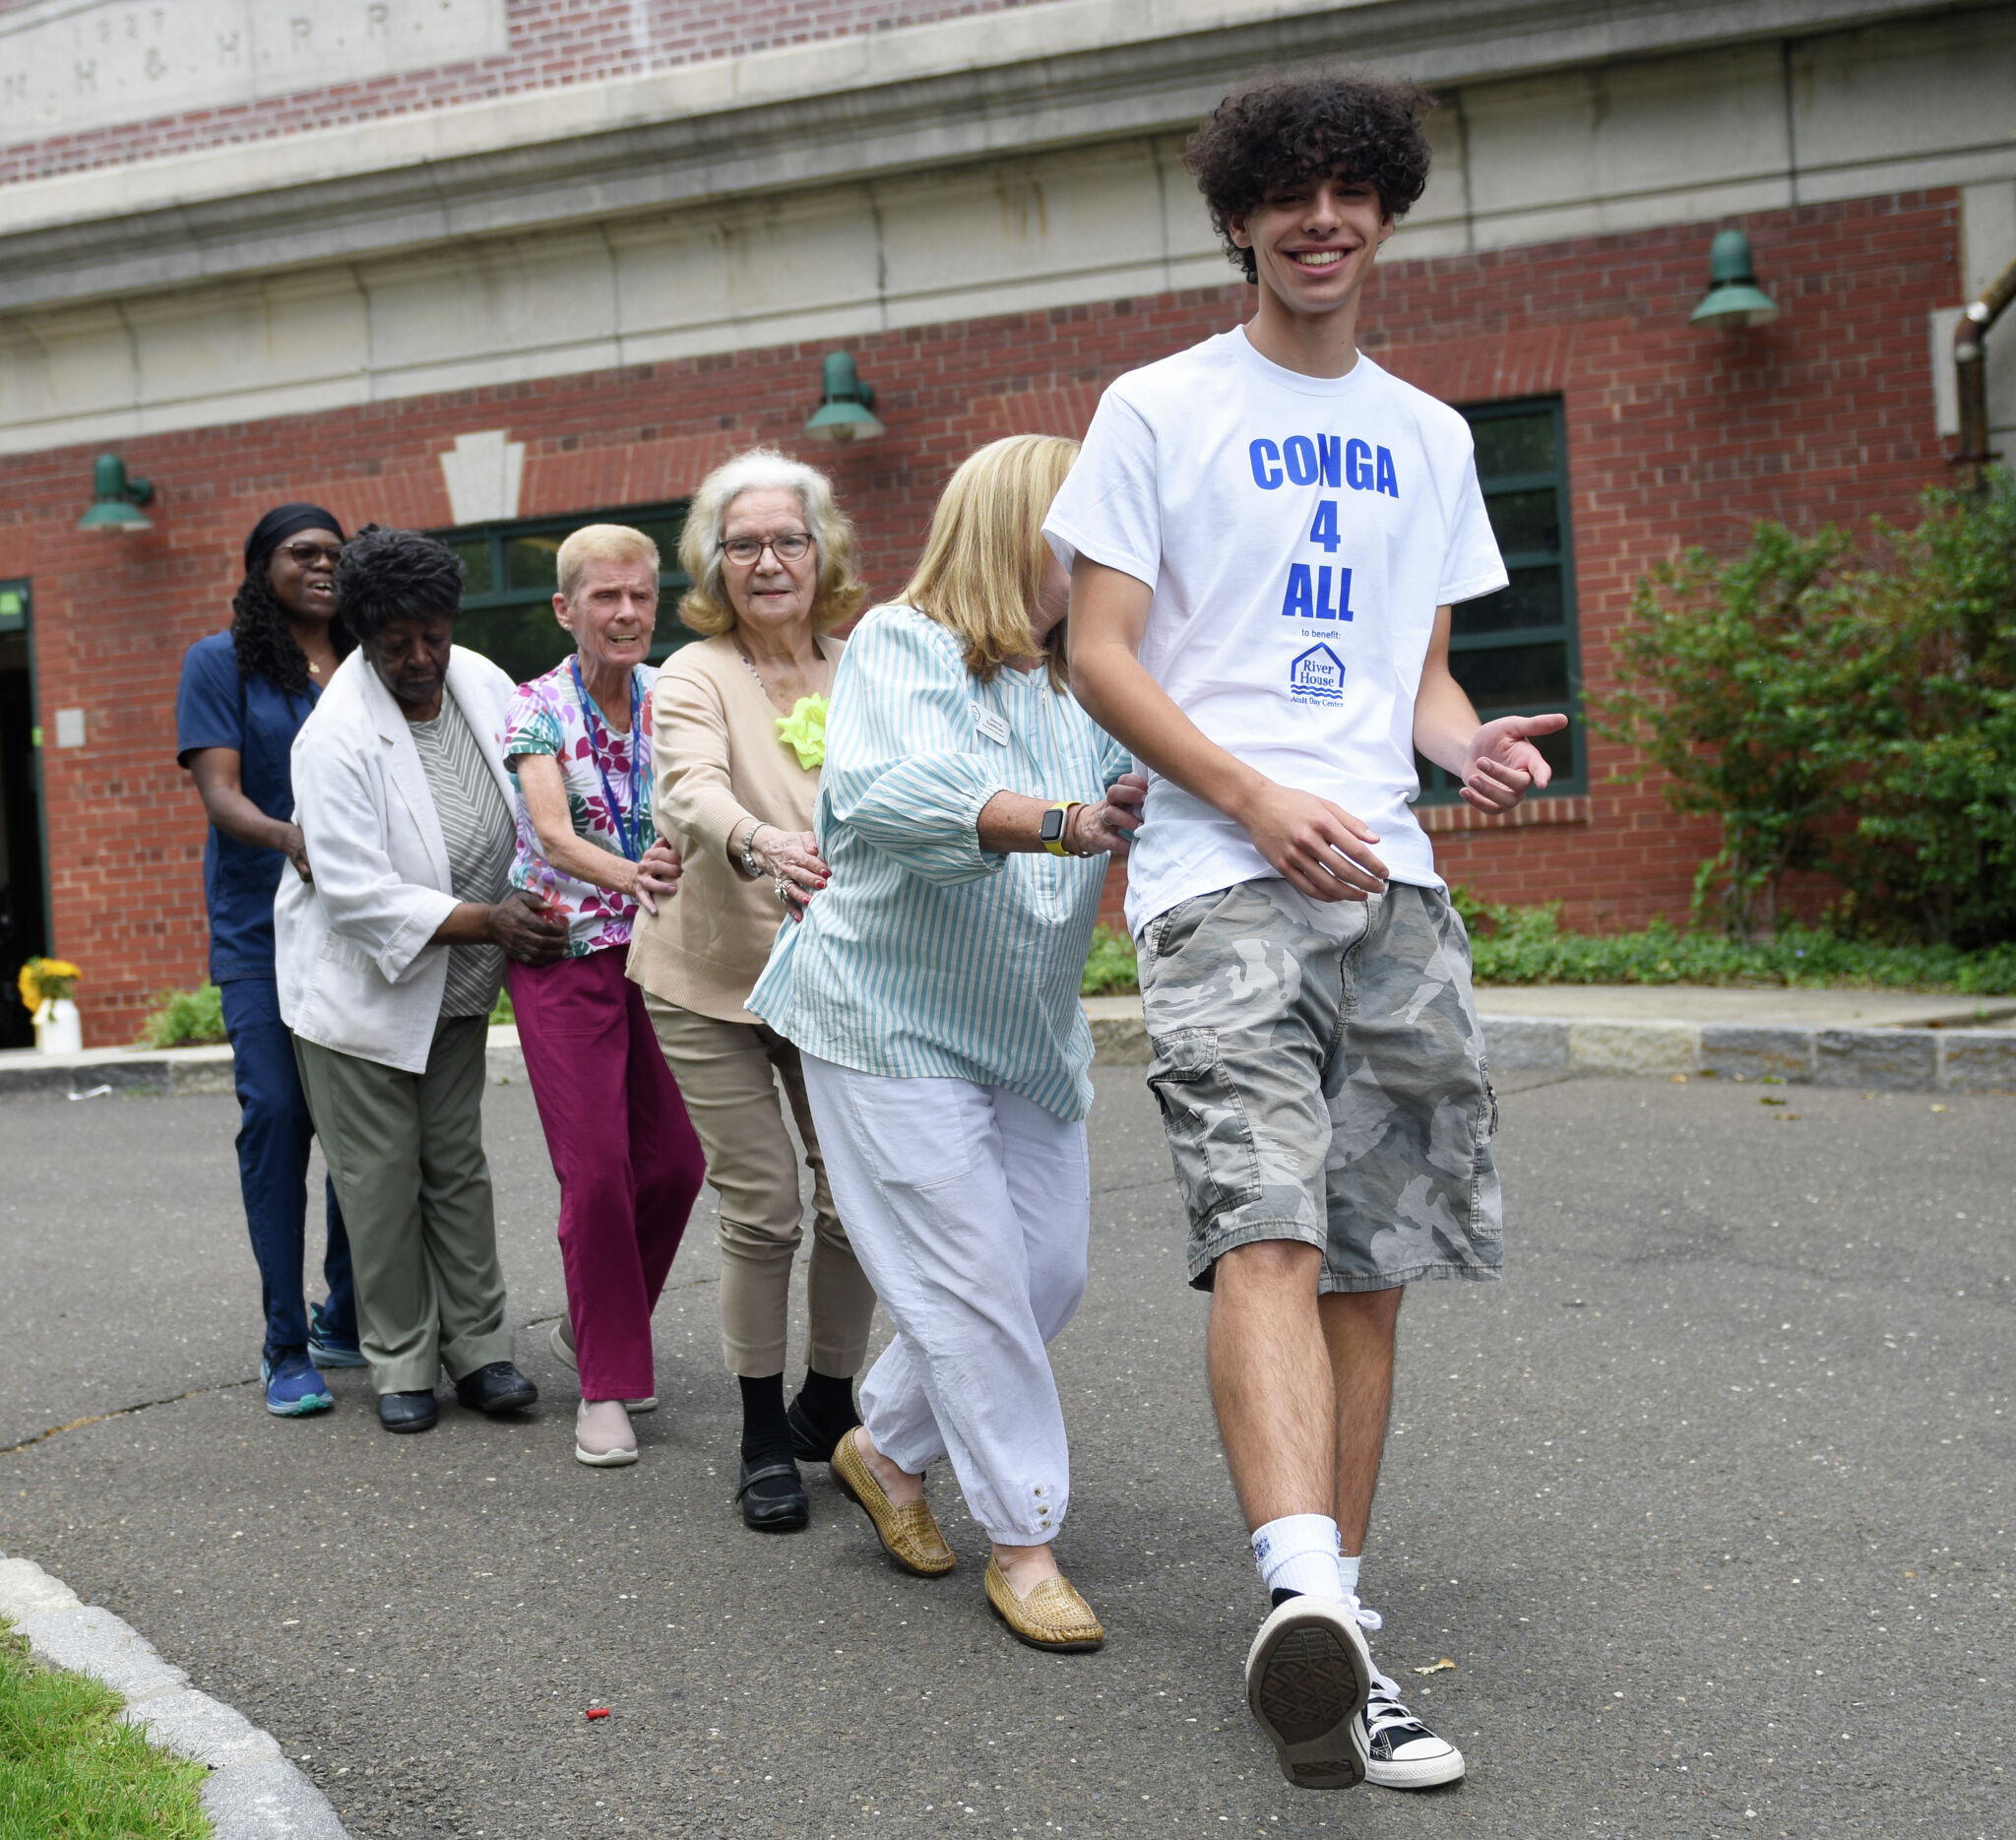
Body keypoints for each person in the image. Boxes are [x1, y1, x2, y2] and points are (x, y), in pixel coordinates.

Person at [1052, 72, 1568, 1788]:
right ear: (1239, 219)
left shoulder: (1429, 435)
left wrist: (1465, 749)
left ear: (1387, 214)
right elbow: (1099, 652)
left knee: (1371, 1263)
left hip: (1389, 883)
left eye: (1353, 192)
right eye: (1290, 193)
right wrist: (1251, 794)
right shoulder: (1156, 407)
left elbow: (1417, 681)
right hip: (1220, 877)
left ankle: (1341, 1644)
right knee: (1264, 1223)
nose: (1322, 219)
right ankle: (1303, 1591)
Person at [750, 434, 1146, 1652]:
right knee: (969, 1285)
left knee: (1046, 1276)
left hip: (1021, 1030)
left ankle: (883, 1449)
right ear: (1021, 532)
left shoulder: (1084, 679)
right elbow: (887, 792)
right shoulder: (901, 643)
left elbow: (1168, 777)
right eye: (1087, 531)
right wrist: (1068, 822)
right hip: (888, 1020)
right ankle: (1023, 1541)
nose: (1113, 555)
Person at [627, 449, 876, 1532]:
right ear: (714, 563)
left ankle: (829, 1397)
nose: (767, 561)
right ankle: (761, 1431)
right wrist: (759, 841)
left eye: (786, 540)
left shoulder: (865, 664)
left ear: (822, 551)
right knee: (765, 1205)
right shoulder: (693, 674)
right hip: (710, 975)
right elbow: (690, 787)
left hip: (836, 974)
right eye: (743, 545)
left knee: (857, 1201)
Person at [278, 525, 559, 1434]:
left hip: (460, 982)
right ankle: (400, 1358)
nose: (420, 657)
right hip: (362, 992)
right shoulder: (334, 737)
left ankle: (481, 1351)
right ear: (362, 635)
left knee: (456, 1166)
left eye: (432, 634)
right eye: (395, 642)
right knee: (380, 1178)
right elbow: (356, 896)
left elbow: (537, 797)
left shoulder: (481, 681)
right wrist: (492, 921)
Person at [500, 524, 705, 1469]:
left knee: (676, 1165)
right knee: (595, 1175)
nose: (626, 613)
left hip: (659, 955)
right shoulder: (535, 707)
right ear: (564, 608)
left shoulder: (674, 693)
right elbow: (550, 832)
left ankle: (595, 1330)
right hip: (565, 954)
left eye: (640, 596)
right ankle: (606, 1383)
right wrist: (632, 874)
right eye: (604, 597)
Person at [176, 503, 362, 1418]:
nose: (323, 565)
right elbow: (220, 793)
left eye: (335, 554)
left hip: (357, 927)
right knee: (281, 1116)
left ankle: (348, 1310)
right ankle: (285, 1340)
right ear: (261, 567)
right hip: (260, 930)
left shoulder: (367, 659)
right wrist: (295, 838)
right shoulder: (221, 662)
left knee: (365, 1123)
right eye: (302, 552)